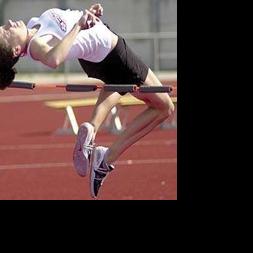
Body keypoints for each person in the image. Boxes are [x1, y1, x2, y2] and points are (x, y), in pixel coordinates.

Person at [0, 3, 175, 199]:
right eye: (6, 31)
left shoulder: (35, 25)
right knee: (164, 107)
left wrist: (89, 16)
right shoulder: (36, 46)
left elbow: (66, 26)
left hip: (99, 55)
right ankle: (106, 158)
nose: (8, 23)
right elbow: (53, 59)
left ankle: (92, 128)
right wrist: (79, 26)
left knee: (117, 83)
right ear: (16, 50)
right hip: (112, 52)